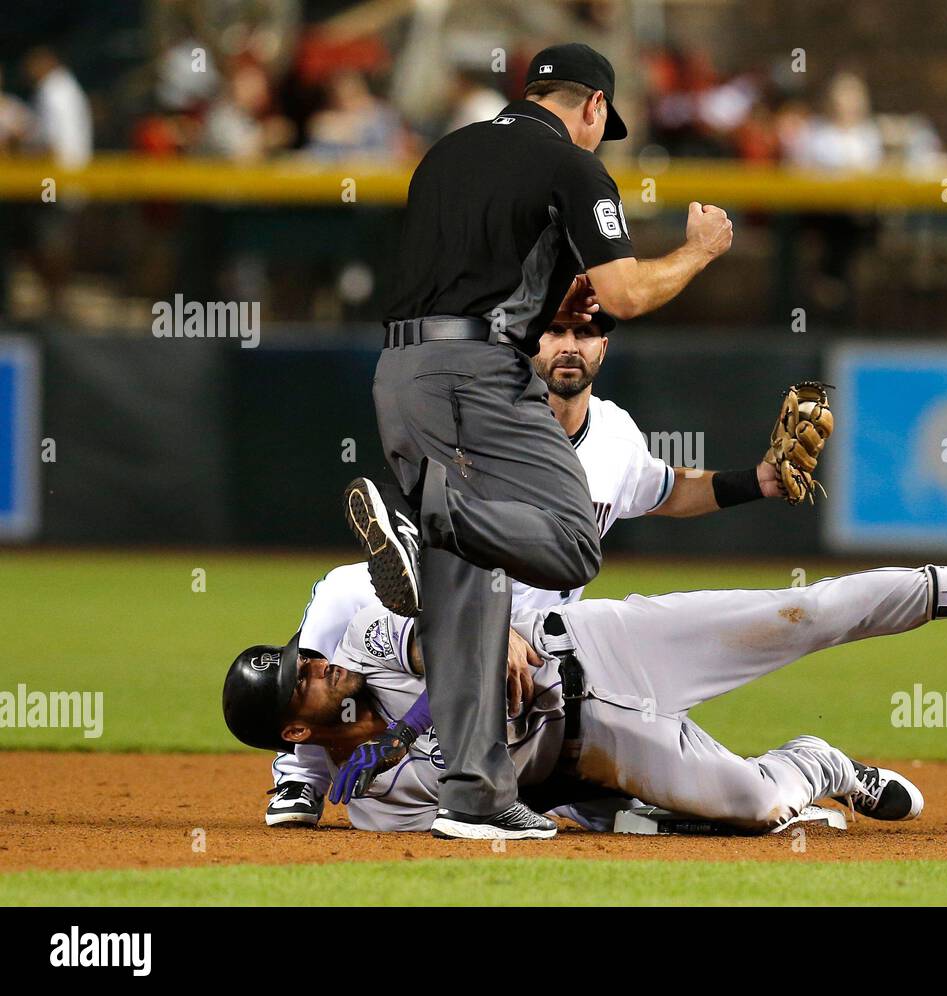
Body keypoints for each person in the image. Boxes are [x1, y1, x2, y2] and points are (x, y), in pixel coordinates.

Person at [357, 42, 732, 840]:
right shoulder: (571, 164)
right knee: (570, 537)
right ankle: (430, 515)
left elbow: (481, 269)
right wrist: (697, 251)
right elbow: (623, 293)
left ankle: (474, 796)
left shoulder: (447, 153)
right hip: (478, 372)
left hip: (399, 369)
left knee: (467, 589)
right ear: (593, 106)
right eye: (605, 122)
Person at [266, 309, 786, 826]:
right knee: (341, 589)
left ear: (603, 348)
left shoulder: (615, 433)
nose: (569, 345)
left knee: (595, 791)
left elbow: (667, 490)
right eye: (554, 331)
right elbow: (433, 517)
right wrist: (478, 628)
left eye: (585, 333)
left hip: (547, 644)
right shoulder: (483, 420)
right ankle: (300, 775)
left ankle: (566, 791)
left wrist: (758, 481)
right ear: (525, 344)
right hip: (462, 605)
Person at [224, 540, 947, 834]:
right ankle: (823, 763)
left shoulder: (374, 637)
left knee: (808, 612)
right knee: (761, 806)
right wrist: (595, 812)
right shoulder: (376, 805)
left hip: (607, 649)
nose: (316, 662)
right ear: (297, 735)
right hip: (604, 752)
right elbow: (516, 821)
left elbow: (439, 622)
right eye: (300, 680)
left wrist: (468, 644)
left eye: (302, 655)